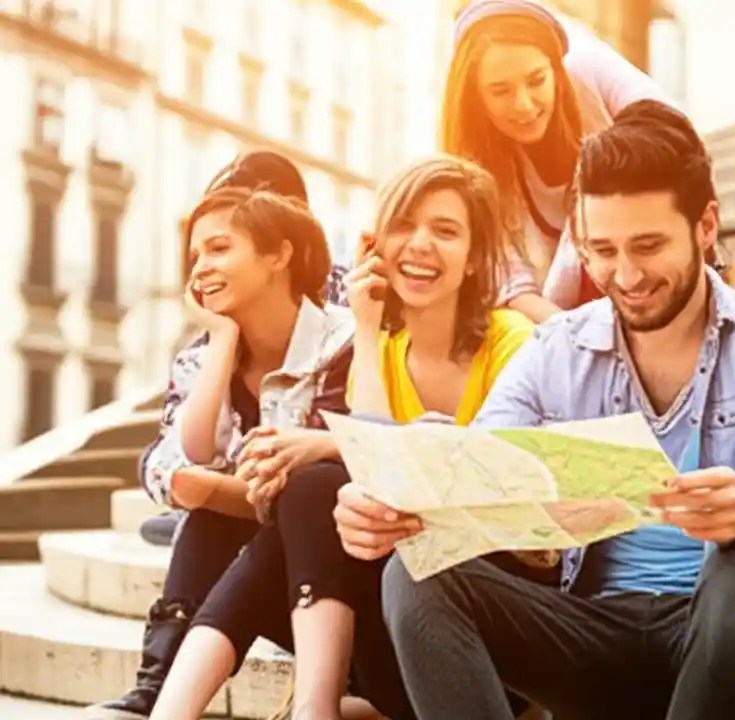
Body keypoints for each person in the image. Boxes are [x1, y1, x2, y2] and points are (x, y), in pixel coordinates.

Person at [331, 99, 735, 719]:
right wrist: (390, 507)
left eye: (648, 245)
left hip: (729, 632)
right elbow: (475, 467)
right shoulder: (555, 349)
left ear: (706, 226)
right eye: (602, 250)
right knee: (416, 573)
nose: (626, 274)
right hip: (594, 628)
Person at [144, 155, 531, 720]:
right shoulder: (374, 343)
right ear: (377, 244)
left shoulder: (514, 342)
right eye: (403, 227)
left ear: (474, 258)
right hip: (391, 626)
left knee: (316, 482)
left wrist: (324, 444)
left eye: (445, 231)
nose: (419, 245)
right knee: (310, 492)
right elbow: (369, 458)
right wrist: (371, 327)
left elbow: (482, 475)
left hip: (483, 629)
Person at [85, 151, 351, 720]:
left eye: (220, 247)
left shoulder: (342, 338)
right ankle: (157, 690)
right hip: (270, 544)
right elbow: (188, 457)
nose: (200, 267)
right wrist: (224, 339)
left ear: (280, 250)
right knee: (209, 520)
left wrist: (215, 491)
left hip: (340, 563)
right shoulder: (205, 355)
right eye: (196, 254)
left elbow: (305, 485)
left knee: (245, 509)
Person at [443, 0, 667, 322]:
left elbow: (672, 132)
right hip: (562, 322)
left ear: (556, 71)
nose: (523, 104)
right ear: (476, 97)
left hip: (647, 262)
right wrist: (579, 335)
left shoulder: (586, 68)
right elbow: (515, 290)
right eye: (500, 91)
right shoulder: (481, 172)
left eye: (536, 80)